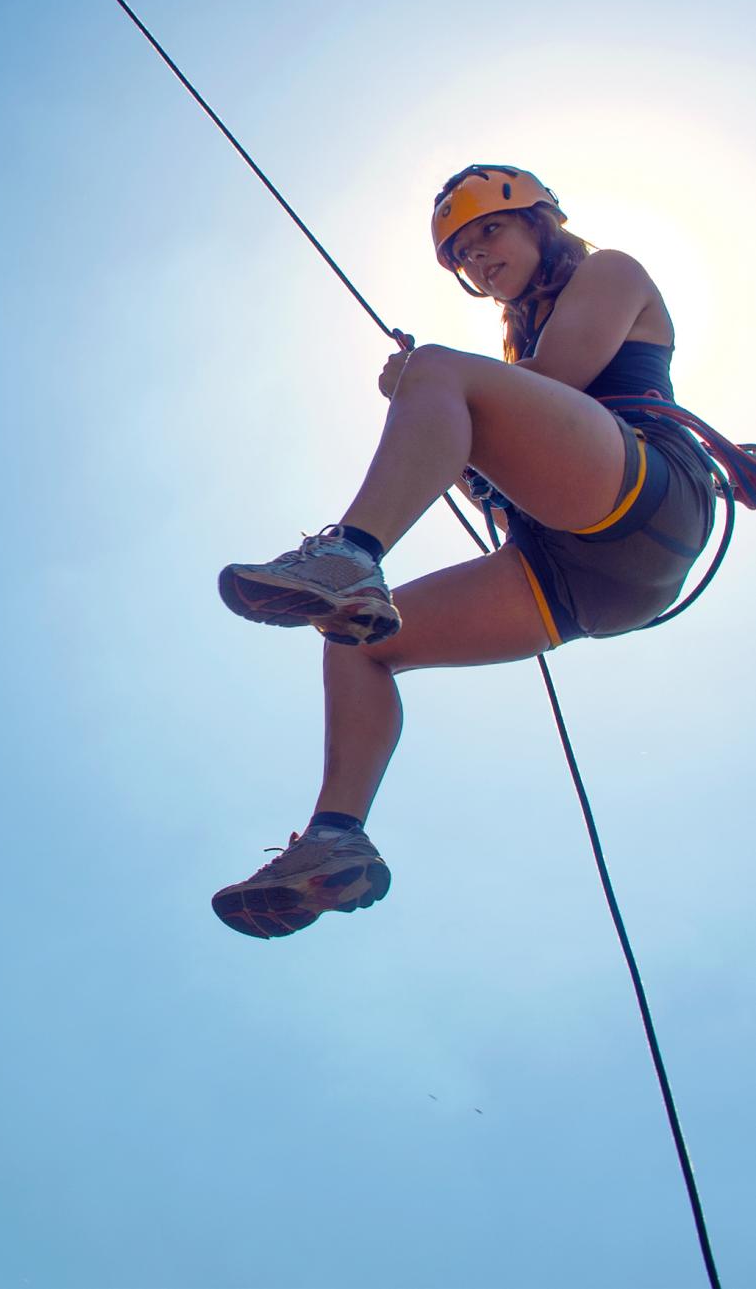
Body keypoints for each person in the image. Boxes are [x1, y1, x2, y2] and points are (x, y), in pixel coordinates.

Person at [210, 165, 714, 939]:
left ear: (540, 222)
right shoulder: (515, 353)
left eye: (490, 230)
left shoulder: (612, 271)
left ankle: (348, 554)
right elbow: (497, 472)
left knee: (440, 365)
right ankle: (334, 839)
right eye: (462, 253)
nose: (478, 257)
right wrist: (439, 407)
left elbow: (561, 383)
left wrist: (432, 386)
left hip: (648, 499)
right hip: (582, 572)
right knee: (353, 642)